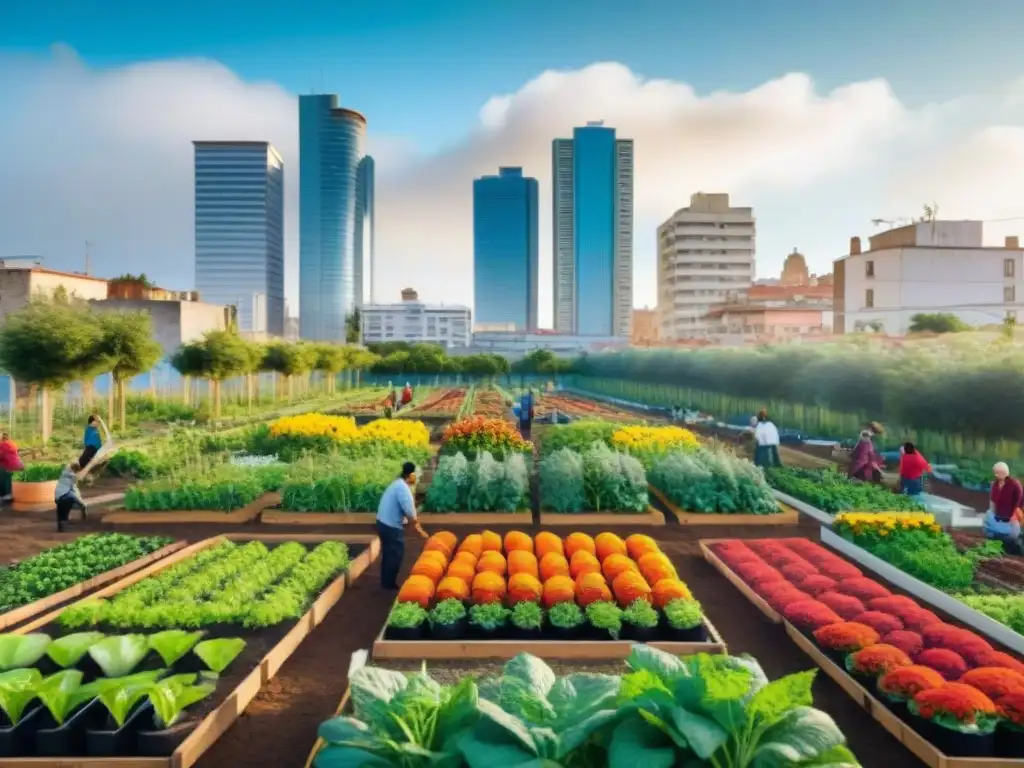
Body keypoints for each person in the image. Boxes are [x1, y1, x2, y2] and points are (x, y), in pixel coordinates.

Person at [375, 462, 427, 589]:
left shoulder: (398, 484)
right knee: (396, 553)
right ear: (410, 475)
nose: (417, 478)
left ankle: (386, 583)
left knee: (388, 553)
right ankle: (389, 585)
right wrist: (420, 531)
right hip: (390, 526)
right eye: (416, 475)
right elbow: (410, 512)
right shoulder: (402, 489)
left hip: (383, 522)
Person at [983, 462, 1024, 554]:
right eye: (995, 472)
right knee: (989, 518)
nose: (995, 475)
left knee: (1012, 535)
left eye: (997, 473)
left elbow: (1019, 500)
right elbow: (992, 501)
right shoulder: (995, 484)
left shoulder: (1015, 485)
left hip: (1011, 519)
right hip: (998, 517)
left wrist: (1014, 513)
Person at [55, 461, 89, 533]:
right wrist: (81, 501)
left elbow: (66, 466)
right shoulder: (73, 477)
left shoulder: (63, 473)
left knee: (60, 511)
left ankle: (60, 527)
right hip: (67, 495)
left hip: (58, 496)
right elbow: (74, 489)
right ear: (76, 470)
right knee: (67, 509)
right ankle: (83, 508)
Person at [0, 433, 23, 503]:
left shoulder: (4, 445)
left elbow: (1, 455)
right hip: (13, 465)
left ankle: (5, 495)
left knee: (2, 476)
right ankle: (7, 495)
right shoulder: (10, 443)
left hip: (8, 466)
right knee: (4, 476)